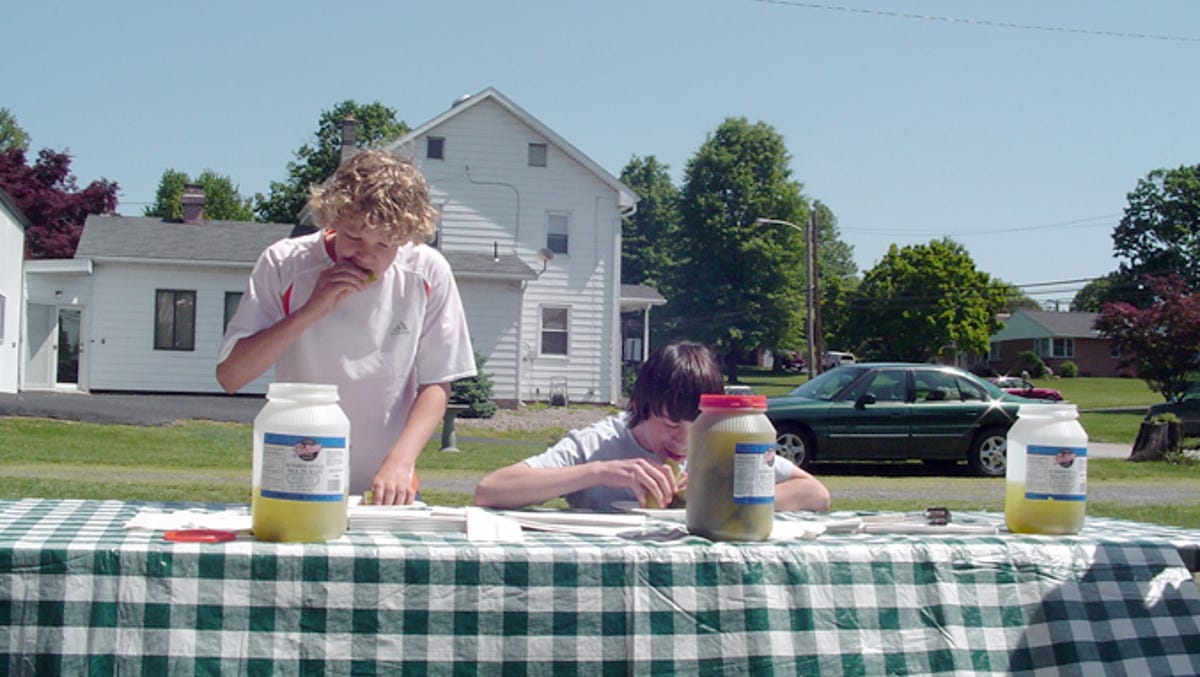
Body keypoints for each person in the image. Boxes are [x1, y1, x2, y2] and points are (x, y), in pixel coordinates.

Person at [217, 150, 476, 505]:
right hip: (296, 477)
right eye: (354, 236)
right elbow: (231, 376)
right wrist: (311, 310)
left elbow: (437, 383)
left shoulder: (428, 272)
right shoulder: (284, 263)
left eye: (384, 244)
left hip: (388, 486)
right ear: (333, 219)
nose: (366, 256)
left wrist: (401, 462)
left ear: (406, 237)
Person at [473, 341, 831, 513]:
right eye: (670, 424)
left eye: (697, 426)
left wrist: (728, 500)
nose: (684, 441)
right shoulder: (599, 444)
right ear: (639, 408)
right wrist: (597, 473)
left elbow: (816, 495)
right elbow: (490, 491)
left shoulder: (722, 442)